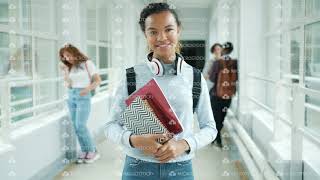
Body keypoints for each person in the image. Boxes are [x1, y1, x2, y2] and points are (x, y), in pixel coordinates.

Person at [105, 3, 217, 180]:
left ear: (178, 30)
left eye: (168, 29)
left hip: (181, 167)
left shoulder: (195, 77)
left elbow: (210, 128)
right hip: (137, 167)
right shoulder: (131, 76)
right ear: (145, 35)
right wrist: (135, 140)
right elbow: (110, 126)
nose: (161, 37)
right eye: (153, 31)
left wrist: (184, 144)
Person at [59, 43, 101, 164]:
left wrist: (86, 90)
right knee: (76, 126)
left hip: (83, 96)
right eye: (64, 57)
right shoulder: (70, 67)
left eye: (68, 55)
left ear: (74, 53)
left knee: (81, 125)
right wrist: (66, 71)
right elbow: (69, 84)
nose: (67, 58)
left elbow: (98, 80)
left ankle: (92, 151)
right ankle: (85, 151)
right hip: (71, 96)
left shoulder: (87, 64)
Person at [208, 42, 238, 147]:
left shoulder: (218, 62)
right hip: (228, 95)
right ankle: (217, 138)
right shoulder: (235, 62)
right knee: (222, 117)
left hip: (216, 94)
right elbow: (237, 78)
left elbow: (212, 78)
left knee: (215, 117)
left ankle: (216, 138)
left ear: (223, 50)